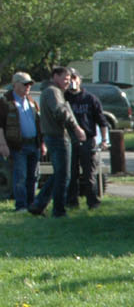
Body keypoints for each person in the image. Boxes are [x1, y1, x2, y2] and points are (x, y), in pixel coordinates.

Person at [28, 66, 86, 218]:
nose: (68, 83)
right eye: (65, 79)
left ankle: (38, 204)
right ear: (55, 76)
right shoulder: (53, 92)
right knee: (63, 176)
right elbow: (60, 111)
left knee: (59, 174)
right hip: (58, 137)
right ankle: (59, 211)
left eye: (69, 80)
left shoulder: (53, 91)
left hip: (53, 137)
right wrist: (76, 128)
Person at [64, 70, 111, 210]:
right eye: (70, 78)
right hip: (69, 139)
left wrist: (104, 140)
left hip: (88, 139)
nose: (73, 81)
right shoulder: (64, 98)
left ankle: (93, 202)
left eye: (75, 78)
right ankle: (72, 202)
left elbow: (102, 121)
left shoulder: (90, 99)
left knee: (89, 173)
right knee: (71, 173)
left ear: (80, 80)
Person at [1, 71, 41, 212]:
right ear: (15, 84)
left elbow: (38, 123)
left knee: (34, 176)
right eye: (25, 84)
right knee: (20, 176)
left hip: (33, 144)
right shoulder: (5, 101)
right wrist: (3, 144)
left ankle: (32, 204)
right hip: (18, 145)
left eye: (29, 84)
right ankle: (21, 205)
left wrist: (42, 144)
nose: (28, 86)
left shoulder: (32, 101)